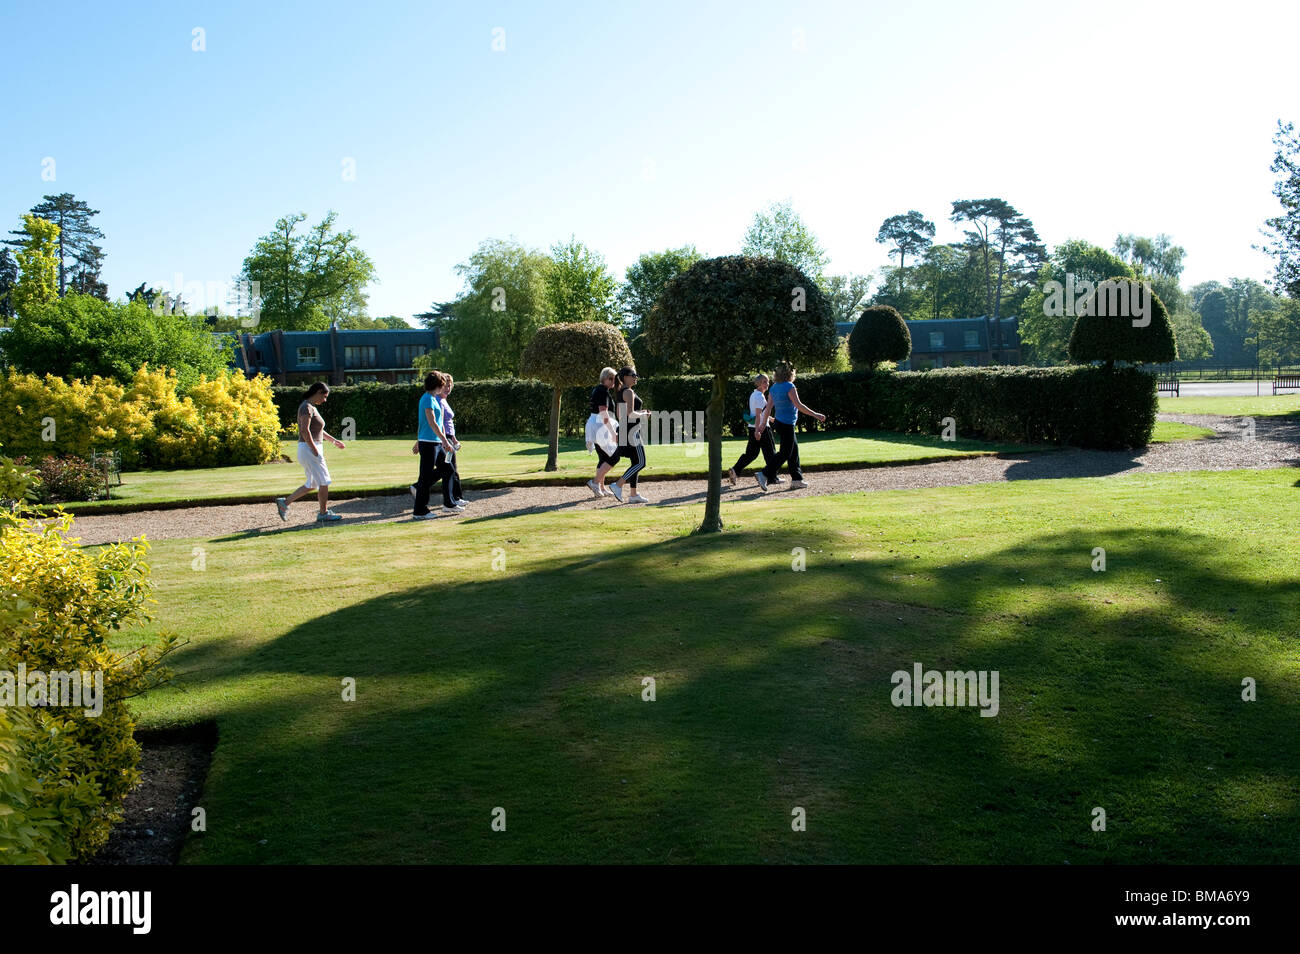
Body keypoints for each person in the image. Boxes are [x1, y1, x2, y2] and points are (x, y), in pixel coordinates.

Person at [276, 381, 346, 522]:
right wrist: (314, 450)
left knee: (312, 483)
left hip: (308, 449)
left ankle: (284, 503)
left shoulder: (310, 407)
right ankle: (323, 513)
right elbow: (304, 430)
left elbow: (318, 430)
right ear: (318, 392)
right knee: (324, 481)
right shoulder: (306, 407)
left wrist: (334, 441)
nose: (325, 400)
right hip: (309, 449)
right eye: (324, 396)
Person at [755, 363, 825, 491]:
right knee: (785, 453)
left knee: (793, 452)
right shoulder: (789, 386)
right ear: (789, 373)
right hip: (786, 424)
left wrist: (761, 427)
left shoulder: (774, 388)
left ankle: (797, 479)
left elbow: (768, 409)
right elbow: (798, 405)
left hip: (779, 423)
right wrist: (816, 415)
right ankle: (764, 474)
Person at [410, 371, 461, 518]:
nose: (444, 387)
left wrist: (443, 441)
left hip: (436, 443)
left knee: (448, 469)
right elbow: (431, 423)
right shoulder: (427, 399)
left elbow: (436, 423)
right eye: (442, 384)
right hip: (429, 444)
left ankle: (449, 504)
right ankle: (420, 511)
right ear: (437, 385)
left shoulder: (433, 398)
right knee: (425, 477)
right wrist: (445, 441)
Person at [607, 367, 651, 504]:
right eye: (633, 375)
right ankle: (618, 485)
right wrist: (644, 414)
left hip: (626, 430)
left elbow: (622, 415)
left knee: (635, 462)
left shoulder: (621, 392)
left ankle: (633, 495)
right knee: (641, 462)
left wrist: (640, 412)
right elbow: (631, 414)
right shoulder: (629, 392)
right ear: (625, 377)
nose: (636, 377)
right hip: (632, 432)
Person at [728, 372, 777, 488]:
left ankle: (735, 470)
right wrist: (758, 430)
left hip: (753, 428)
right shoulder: (760, 396)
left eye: (768, 382)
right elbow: (759, 415)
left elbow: (756, 413)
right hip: (762, 428)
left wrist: (770, 418)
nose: (767, 384)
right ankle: (772, 477)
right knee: (771, 453)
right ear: (758, 384)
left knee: (751, 454)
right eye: (764, 382)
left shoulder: (754, 395)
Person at [585, 367, 620, 498]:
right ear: (604, 378)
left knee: (603, 458)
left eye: (614, 379)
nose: (613, 381)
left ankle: (601, 487)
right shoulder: (602, 391)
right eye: (611, 379)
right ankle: (595, 483)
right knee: (614, 457)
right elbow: (603, 412)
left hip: (595, 424)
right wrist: (613, 433)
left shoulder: (599, 390)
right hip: (600, 425)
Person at [438, 373, 466, 506]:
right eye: (445, 386)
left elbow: (449, 424)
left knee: (451, 468)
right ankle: (453, 498)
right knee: (449, 468)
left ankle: (456, 496)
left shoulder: (444, 400)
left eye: (449, 386)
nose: (448, 388)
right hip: (444, 438)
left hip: (449, 437)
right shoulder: (438, 400)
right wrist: (447, 441)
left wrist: (454, 439)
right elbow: (441, 423)